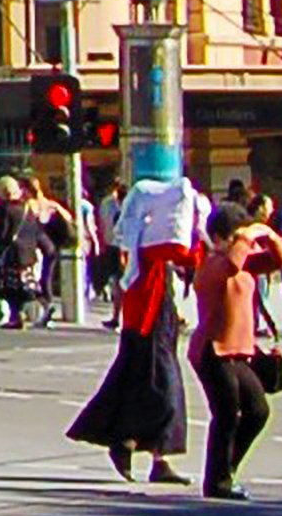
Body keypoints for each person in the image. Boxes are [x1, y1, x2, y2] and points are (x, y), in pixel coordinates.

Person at [67, 173, 198, 485]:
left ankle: (152, 454)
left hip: (155, 321)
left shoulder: (148, 236)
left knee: (144, 389)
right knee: (163, 391)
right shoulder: (149, 238)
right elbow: (186, 254)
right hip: (146, 324)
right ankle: (135, 445)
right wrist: (203, 233)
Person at [195, 187, 282, 498]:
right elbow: (232, 266)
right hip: (213, 350)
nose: (243, 244)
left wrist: (268, 235)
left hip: (240, 352)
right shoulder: (212, 264)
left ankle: (227, 468)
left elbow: (280, 260)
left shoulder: (246, 262)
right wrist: (246, 238)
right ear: (219, 238)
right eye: (234, 237)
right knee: (226, 414)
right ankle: (217, 482)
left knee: (257, 411)